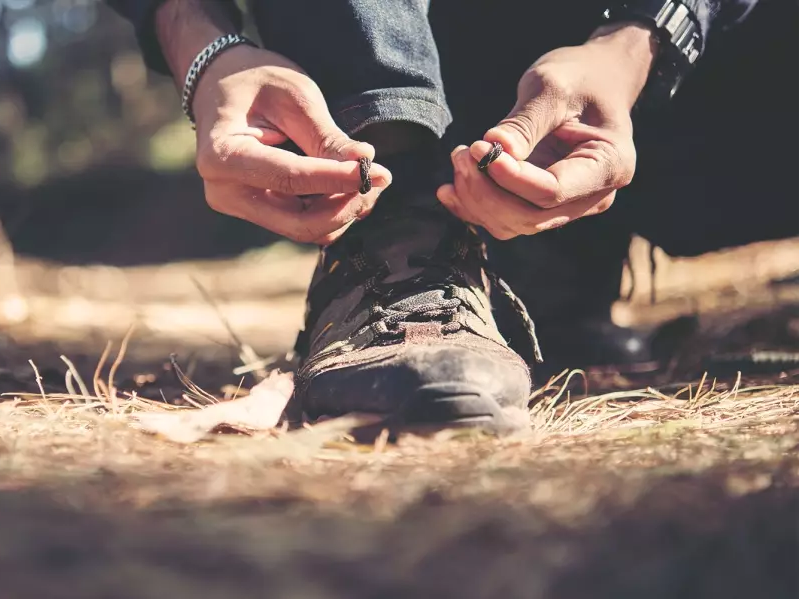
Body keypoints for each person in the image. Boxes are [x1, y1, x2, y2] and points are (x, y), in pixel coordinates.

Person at [105, 0, 798, 435]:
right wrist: (204, 47)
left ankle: (558, 259)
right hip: (422, 75)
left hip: (692, 80)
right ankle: (405, 229)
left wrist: (641, 40)